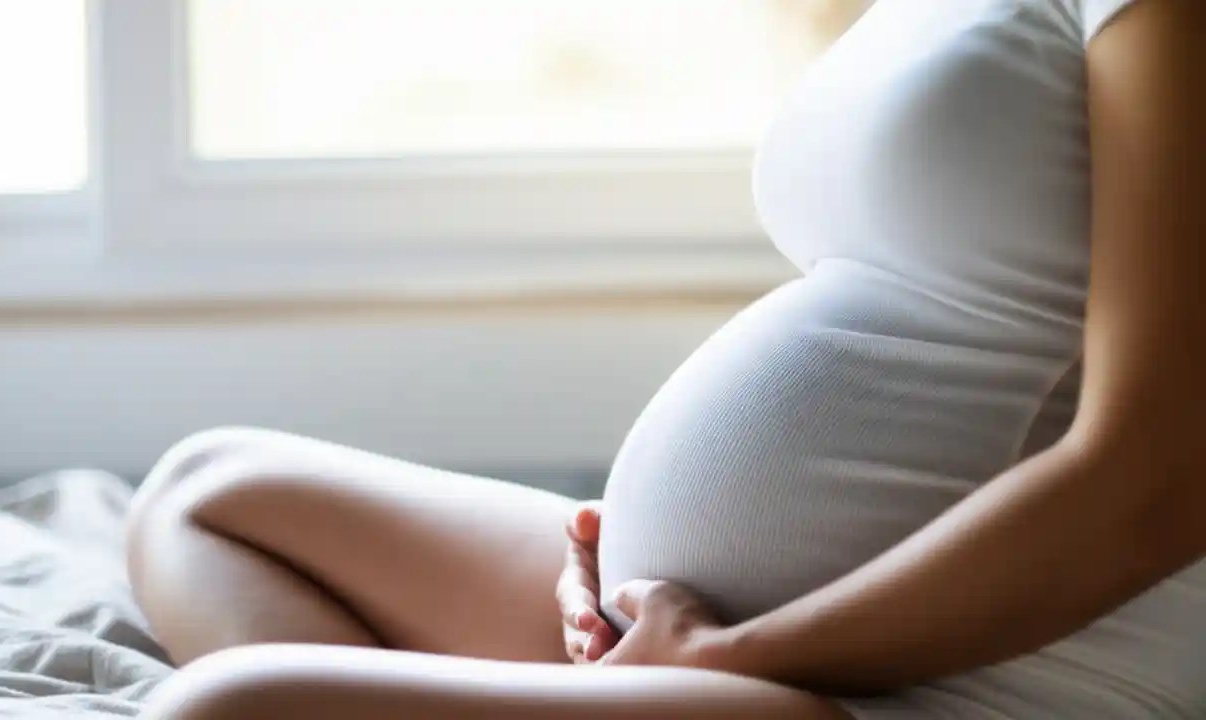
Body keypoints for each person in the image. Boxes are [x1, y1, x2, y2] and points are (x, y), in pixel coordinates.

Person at [127, 1, 1206, 717]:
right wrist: (638, 551)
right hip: (728, 641)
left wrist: (733, 658)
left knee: (224, 707)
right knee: (208, 491)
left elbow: (1161, 477)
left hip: (940, 684)